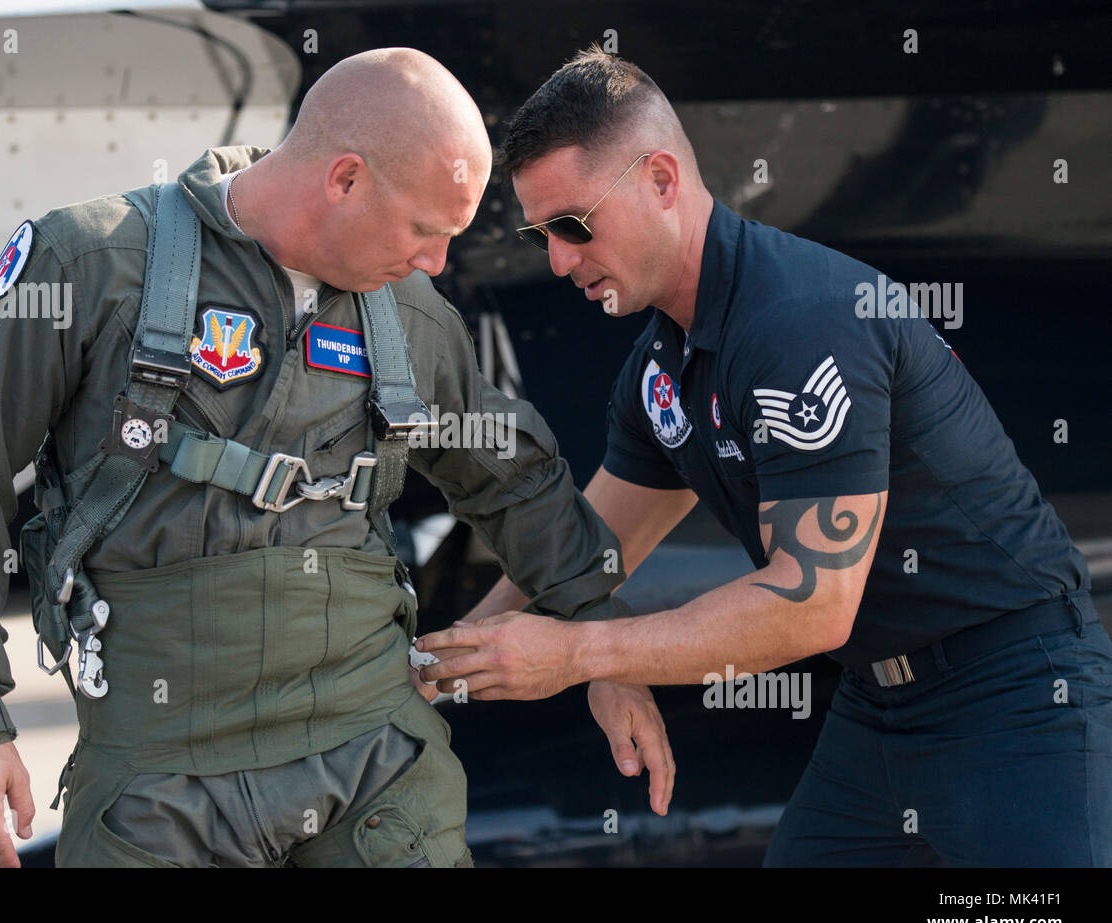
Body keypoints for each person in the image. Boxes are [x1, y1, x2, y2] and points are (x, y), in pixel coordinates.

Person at [0, 47, 660, 868]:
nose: (436, 262)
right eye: (426, 230)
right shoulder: (91, 265)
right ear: (346, 179)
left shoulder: (408, 314)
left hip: (374, 763)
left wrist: (602, 642)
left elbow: (515, 482)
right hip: (159, 781)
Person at [417, 47, 1112, 866]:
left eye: (573, 225)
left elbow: (809, 605)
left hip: (1014, 693)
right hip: (877, 707)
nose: (559, 260)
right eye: (541, 235)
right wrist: (426, 668)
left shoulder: (800, 322)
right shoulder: (659, 364)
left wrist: (580, 654)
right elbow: (584, 552)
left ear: (663, 181)